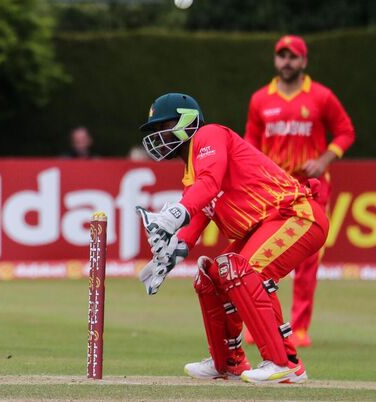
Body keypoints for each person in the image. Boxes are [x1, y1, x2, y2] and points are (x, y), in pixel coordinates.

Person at [136, 93, 328, 384]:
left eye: (167, 125)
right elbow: (199, 214)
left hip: (296, 215)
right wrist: (171, 254)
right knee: (210, 277)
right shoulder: (191, 173)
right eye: (156, 130)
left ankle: (285, 363)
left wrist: (173, 214)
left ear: (188, 121)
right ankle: (227, 362)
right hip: (266, 224)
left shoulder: (209, 135)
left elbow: (209, 185)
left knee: (241, 269)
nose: (159, 135)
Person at [244, 35, 355, 347]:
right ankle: (258, 323)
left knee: (307, 261)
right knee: (261, 257)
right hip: (273, 190)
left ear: (304, 61)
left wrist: (323, 160)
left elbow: (346, 132)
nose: (287, 62)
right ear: (275, 60)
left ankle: (300, 328)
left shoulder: (321, 96)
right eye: (282, 56)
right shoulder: (260, 99)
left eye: (293, 56)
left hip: (311, 189)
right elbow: (249, 143)